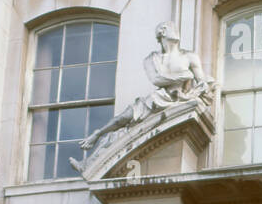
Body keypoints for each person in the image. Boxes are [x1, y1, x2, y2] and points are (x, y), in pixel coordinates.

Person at [77, 21, 213, 157]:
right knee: (122, 119)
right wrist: (184, 75)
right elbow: (156, 80)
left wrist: (202, 86)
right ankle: (98, 134)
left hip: (178, 99)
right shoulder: (151, 59)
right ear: (162, 32)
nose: (175, 30)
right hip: (157, 98)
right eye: (170, 27)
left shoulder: (190, 56)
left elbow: (201, 81)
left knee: (125, 128)